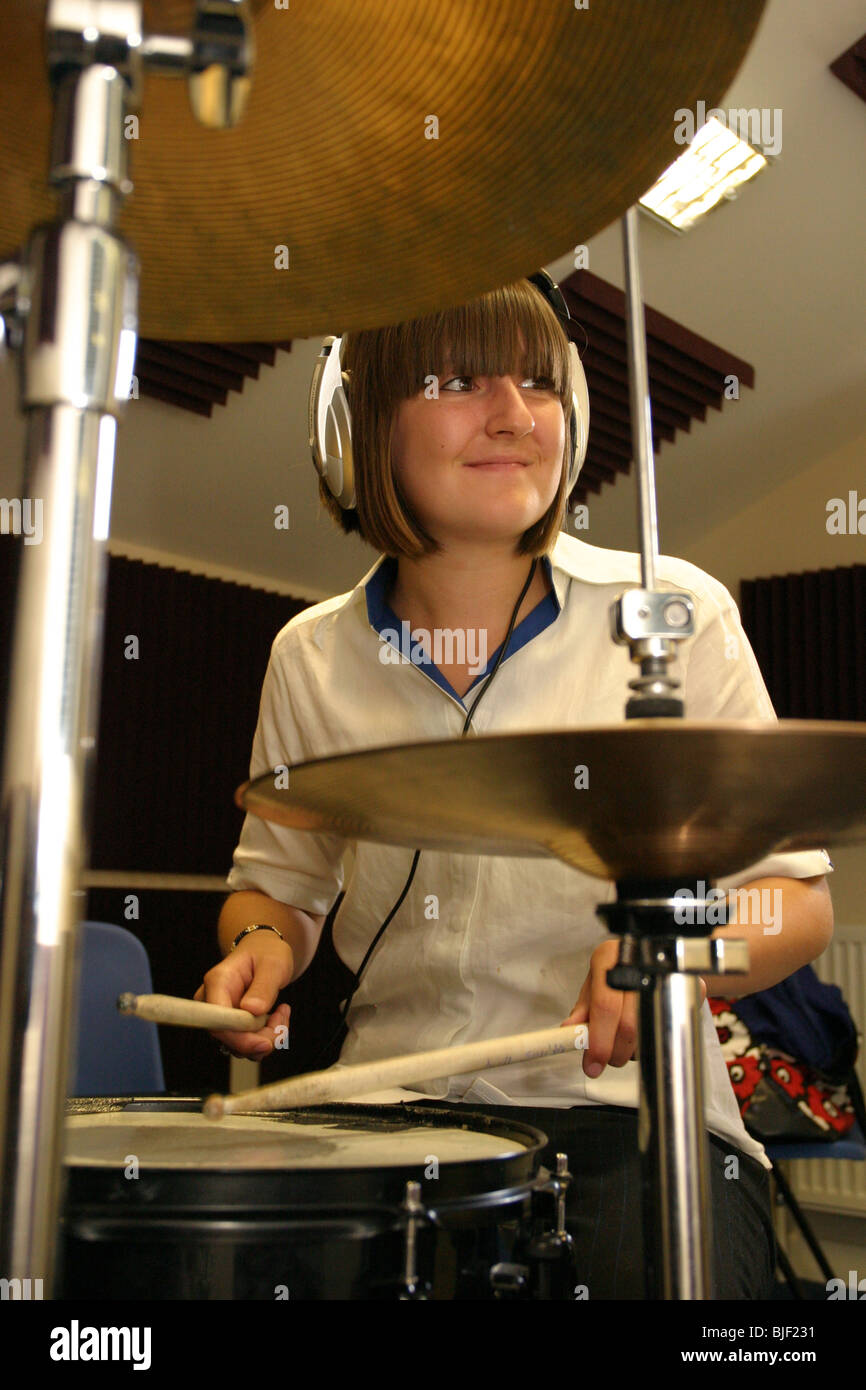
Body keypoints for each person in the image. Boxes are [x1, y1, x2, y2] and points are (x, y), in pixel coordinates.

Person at [197, 278, 834, 1298]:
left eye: (538, 382)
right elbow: (280, 883)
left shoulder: (670, 615)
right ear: (355, 427)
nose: (512, 413)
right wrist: (257, 950)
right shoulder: (306, 658)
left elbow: (796, 899)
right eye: (457, 380)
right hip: (387, 1108)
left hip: (631, 1115)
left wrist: (671, 948)